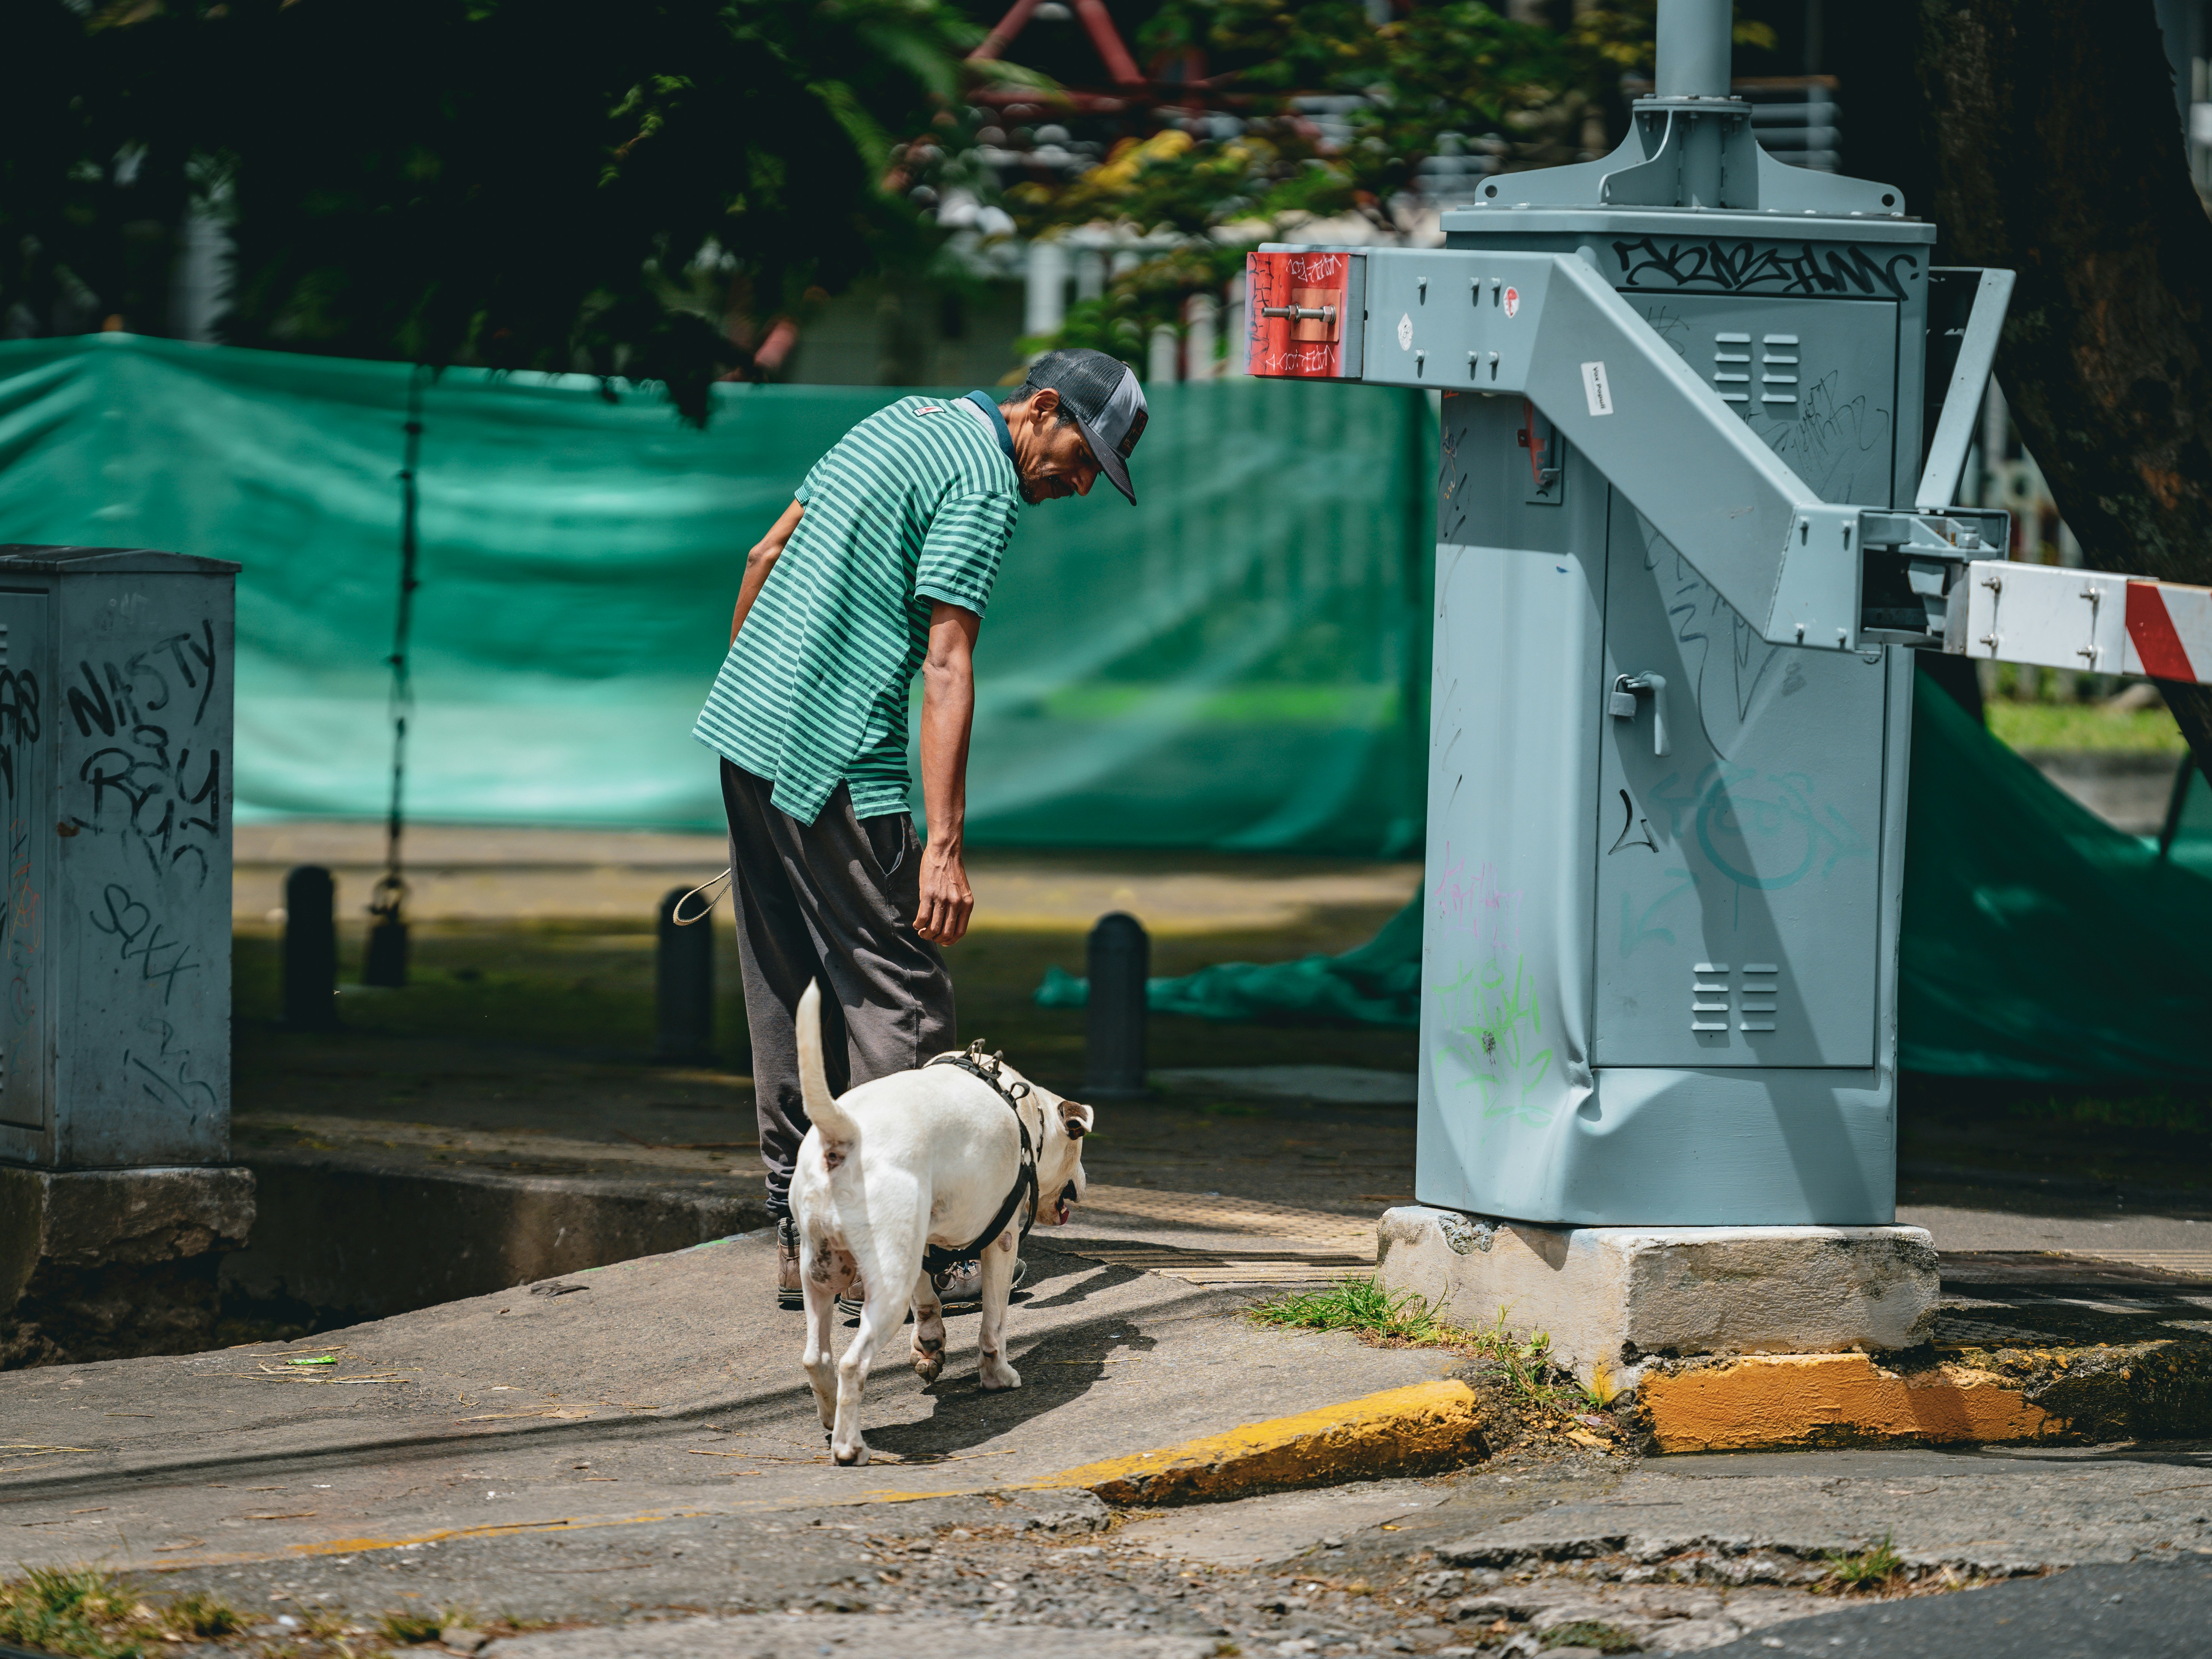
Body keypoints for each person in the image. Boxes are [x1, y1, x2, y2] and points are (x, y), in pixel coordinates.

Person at [694, 348, 1148, 1309]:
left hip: (746, 736)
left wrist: (755, 695)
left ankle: (803, 1232)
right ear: (1042, 405)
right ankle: (890, 1245)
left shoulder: (900, 421)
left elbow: (763, 556)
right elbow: (946, 664)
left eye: (1095, 473)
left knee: (784, 987)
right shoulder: (984, 485)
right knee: (898, 996)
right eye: (1080, 454)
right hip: (838, 766)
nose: (1075, 483)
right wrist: (942, 845)